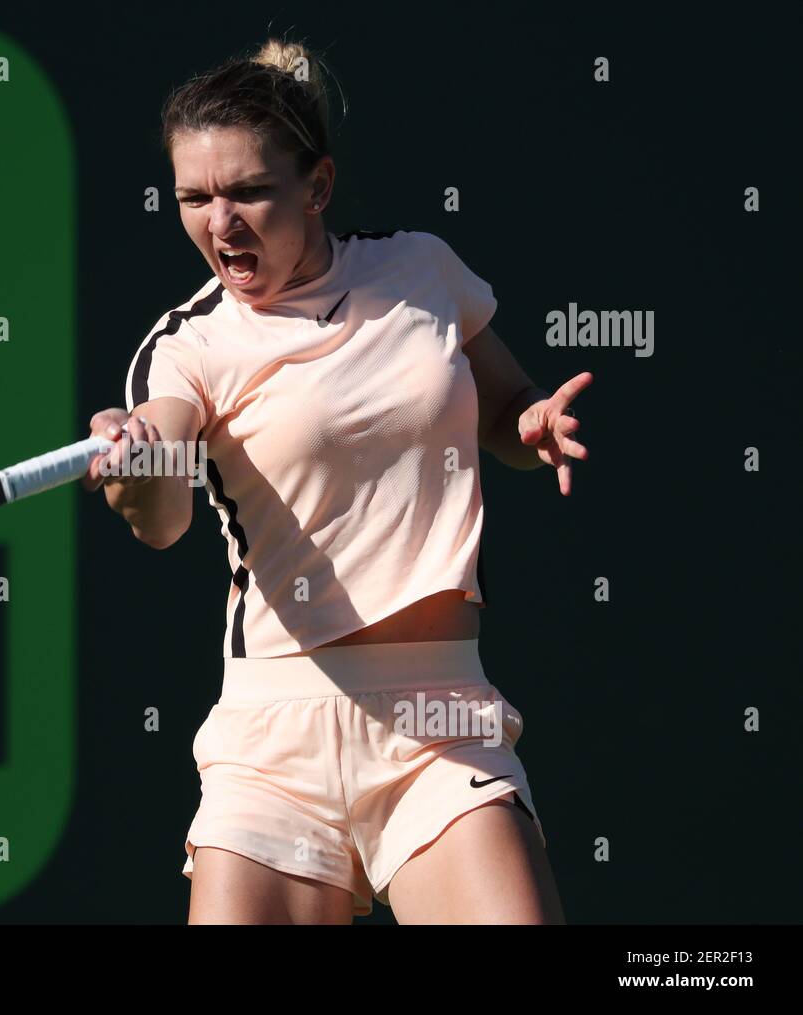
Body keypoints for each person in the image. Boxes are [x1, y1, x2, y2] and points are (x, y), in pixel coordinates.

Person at [83, 39, 587, 924]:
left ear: (316, 186)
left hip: (440, 715)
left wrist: (530, 423)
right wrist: (137, 460)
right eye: (194, 198)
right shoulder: (187, 347)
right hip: (274, 734)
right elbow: (159, 518)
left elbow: (506, 403)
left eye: (247, 192)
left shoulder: (423, 272)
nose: (219, 223)